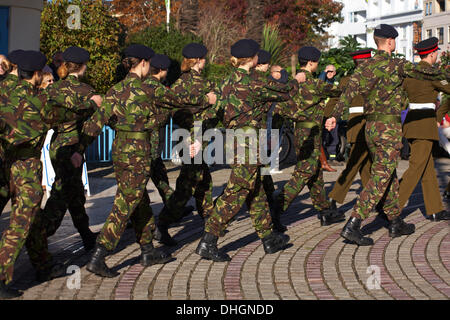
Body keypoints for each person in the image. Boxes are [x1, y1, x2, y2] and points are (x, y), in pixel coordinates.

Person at [71, 47, 214, 278]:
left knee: (140, 201)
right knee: (126, 202)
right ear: (144, 63)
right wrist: (206, 98)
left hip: (120, 152)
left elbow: (95, 122)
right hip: (138, 152)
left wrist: (79, 150)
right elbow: (178, 99)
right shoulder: (149, 87)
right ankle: (99, 254)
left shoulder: (116, 89)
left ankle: (147, 250)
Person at [330, 24, 450, 246]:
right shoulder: (397, 64)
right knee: (381, 177)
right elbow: (426, 71)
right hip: (388, 130)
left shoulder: (364, 67)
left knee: (389, 173)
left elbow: (348, 92)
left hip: (370, 129)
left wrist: (334, 116)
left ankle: (395, 222)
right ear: (390, 42)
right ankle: (354, 224)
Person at [195, 39, 302, 262]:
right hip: (250, 142)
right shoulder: (257, 82)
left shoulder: (225, 82)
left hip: (235, 140)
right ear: (253, 59)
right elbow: (287, 91)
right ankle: (208, 240)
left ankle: (268, 237)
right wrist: (290, 78)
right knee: (238, 191)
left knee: (257, 190)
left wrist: (198, 139)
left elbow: (210, 112)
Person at [0, 50, 95, 298]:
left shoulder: (4, 91)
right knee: (22, 223)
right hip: (26, 168)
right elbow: (66, 114)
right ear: (35, 74)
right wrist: (92, 102)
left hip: (4, 164)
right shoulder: (39, 102)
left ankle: (43, 266)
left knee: (34, 221)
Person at [25, 46, 102, 282]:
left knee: (74, 191)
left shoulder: (54, 88)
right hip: (73, 150)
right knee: (61, 195)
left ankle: (86, 235)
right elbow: (93, 125)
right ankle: (37, 236)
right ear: (83, 66)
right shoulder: (87, 91)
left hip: (57, 147)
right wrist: (79, 150)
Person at [271, 46, 345, 228]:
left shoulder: (293, 84)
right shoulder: (315, 84)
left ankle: (325, 210)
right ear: (311, 63)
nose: (317, 65)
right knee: (304, 172)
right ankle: (276, 207)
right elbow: (340, 92)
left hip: (299, 132)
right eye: (317, 62)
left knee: (315, 172)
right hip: (310, 133)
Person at [155, 43, 216, 246]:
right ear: (198, 61)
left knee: (203, 181)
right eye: (204, 58)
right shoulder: (201, 84)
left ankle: (210, 220)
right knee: (187, 185)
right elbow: (211, 112)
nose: (206, 61)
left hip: (185, 136)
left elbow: (175, 112)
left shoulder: (179, 83)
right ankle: (161, 225)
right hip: (195, 138)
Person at [399, 37, 450, 221]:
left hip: (412, 123)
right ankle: (392, 208)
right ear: (432, 53)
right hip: (424, 126)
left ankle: (435, 208)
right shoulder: (431, 73)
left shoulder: (410, 72)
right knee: (415, 168)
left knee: (427, 169)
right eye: (436, 53)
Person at [327, 49, 373, 210]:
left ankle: (374, 200)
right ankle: (333, 201)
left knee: (366, 165)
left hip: (354, 125)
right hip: (370, 124)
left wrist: (329, 117)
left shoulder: (346, 80)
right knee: (354, 164)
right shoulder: (374, 78)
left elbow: (334, 99)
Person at [319, 64, 343, 168]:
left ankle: (332, 158)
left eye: (332, 71)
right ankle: (322, 159)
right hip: (321, 115)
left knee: (333, 138)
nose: (330, 73)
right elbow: (319, 82)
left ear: (335, 73)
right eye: (327, 71)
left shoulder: (337, 83)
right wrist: (324, 72)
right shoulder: (321, 82)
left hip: (332, 115)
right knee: (322, 138)